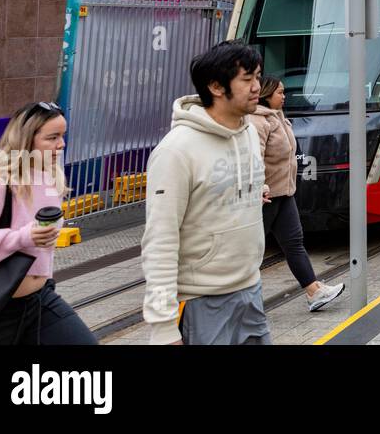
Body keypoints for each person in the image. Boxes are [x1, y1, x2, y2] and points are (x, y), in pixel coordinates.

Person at [142, 40, 271, 345]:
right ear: (216, 86)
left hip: (250, 289)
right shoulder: (176, 150)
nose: (257, 87)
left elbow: (226, 187)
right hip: (202, 300)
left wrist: (250, 192)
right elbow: (160, 239)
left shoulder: (249, 131)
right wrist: (162, 327)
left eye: (258, 77)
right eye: (247, 79)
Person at [0, 102, 96, 345]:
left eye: (62, 136)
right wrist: (22, 238)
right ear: (27, 141)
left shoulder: (50, 179)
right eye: (52, 138)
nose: (61, 144)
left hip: (40, 300)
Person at [248, 76, 344, 313]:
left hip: (285, 193)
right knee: (251, 252)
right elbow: (253, 157)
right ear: (267, 95)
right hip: (267, 196)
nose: (284, 96)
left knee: (294, 243)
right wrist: (258, 186)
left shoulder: (278, 117)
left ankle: (314, 291)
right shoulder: (258, 122)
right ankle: (240, 302)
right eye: (280, 92)